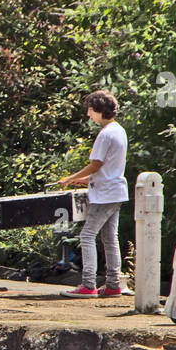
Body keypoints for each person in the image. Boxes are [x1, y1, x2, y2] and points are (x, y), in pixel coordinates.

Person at [59, 90, 128, 297]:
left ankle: (88, 284)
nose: (88, 114)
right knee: (110, 238)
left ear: (99, 110)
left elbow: (96, 164)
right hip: (116, 191)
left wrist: (71, 178)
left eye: (90, 110)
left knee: (87, 235)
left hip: (105, 194)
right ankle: (113, 283)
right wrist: (83, 180)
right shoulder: (119, 130)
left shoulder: (105, 134)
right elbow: (109, 168)